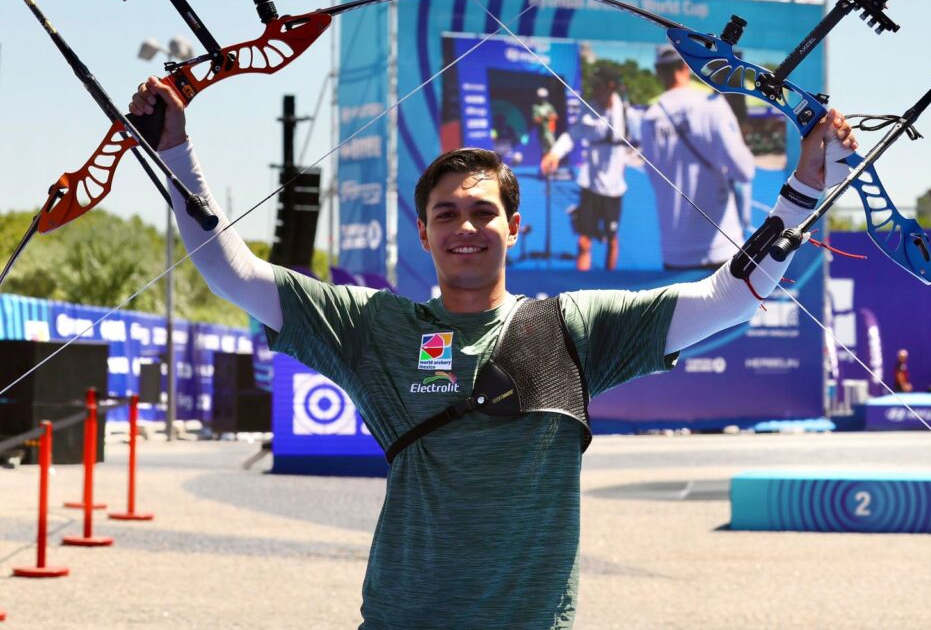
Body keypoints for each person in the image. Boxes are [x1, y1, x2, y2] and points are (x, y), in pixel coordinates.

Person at [130, 75, 856, 630]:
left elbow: (724, 299)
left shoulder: (573, 327)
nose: (465, 226)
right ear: (424, 232)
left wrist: (803, 191)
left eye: (483, 211)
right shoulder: (373, 326)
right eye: (446, 212)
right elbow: (235, 272)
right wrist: (175, 151)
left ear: (515, 225)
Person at [641, 45, 757, 273]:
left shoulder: (649, 118)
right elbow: (745, 172)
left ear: (658, 71)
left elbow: (654, 178)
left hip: (674, 250)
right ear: (687, 66)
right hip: (722, 246)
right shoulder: (711, 105)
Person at [539, 63, 627, 271]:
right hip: (590, 186)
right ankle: (581, 288)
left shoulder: (625, 109)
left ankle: (612, 283)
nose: (595, 90)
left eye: (599, 86)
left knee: (612, 241)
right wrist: (555, 153)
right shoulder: (589, 108)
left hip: (614, 189)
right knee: (583, 241)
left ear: (611, 86)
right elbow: (572, 134)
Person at [531, 86, 559, 152]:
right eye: (541, 97)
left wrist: (548, 116)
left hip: (550, 132)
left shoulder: (549, 106)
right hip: (542, 133)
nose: (543, 99)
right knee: (545, 151)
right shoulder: (536, 107)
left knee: (554, 150)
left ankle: (554, 162)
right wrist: (543, 118)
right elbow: (535, 120)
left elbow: (555, 117)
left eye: (544, 97)